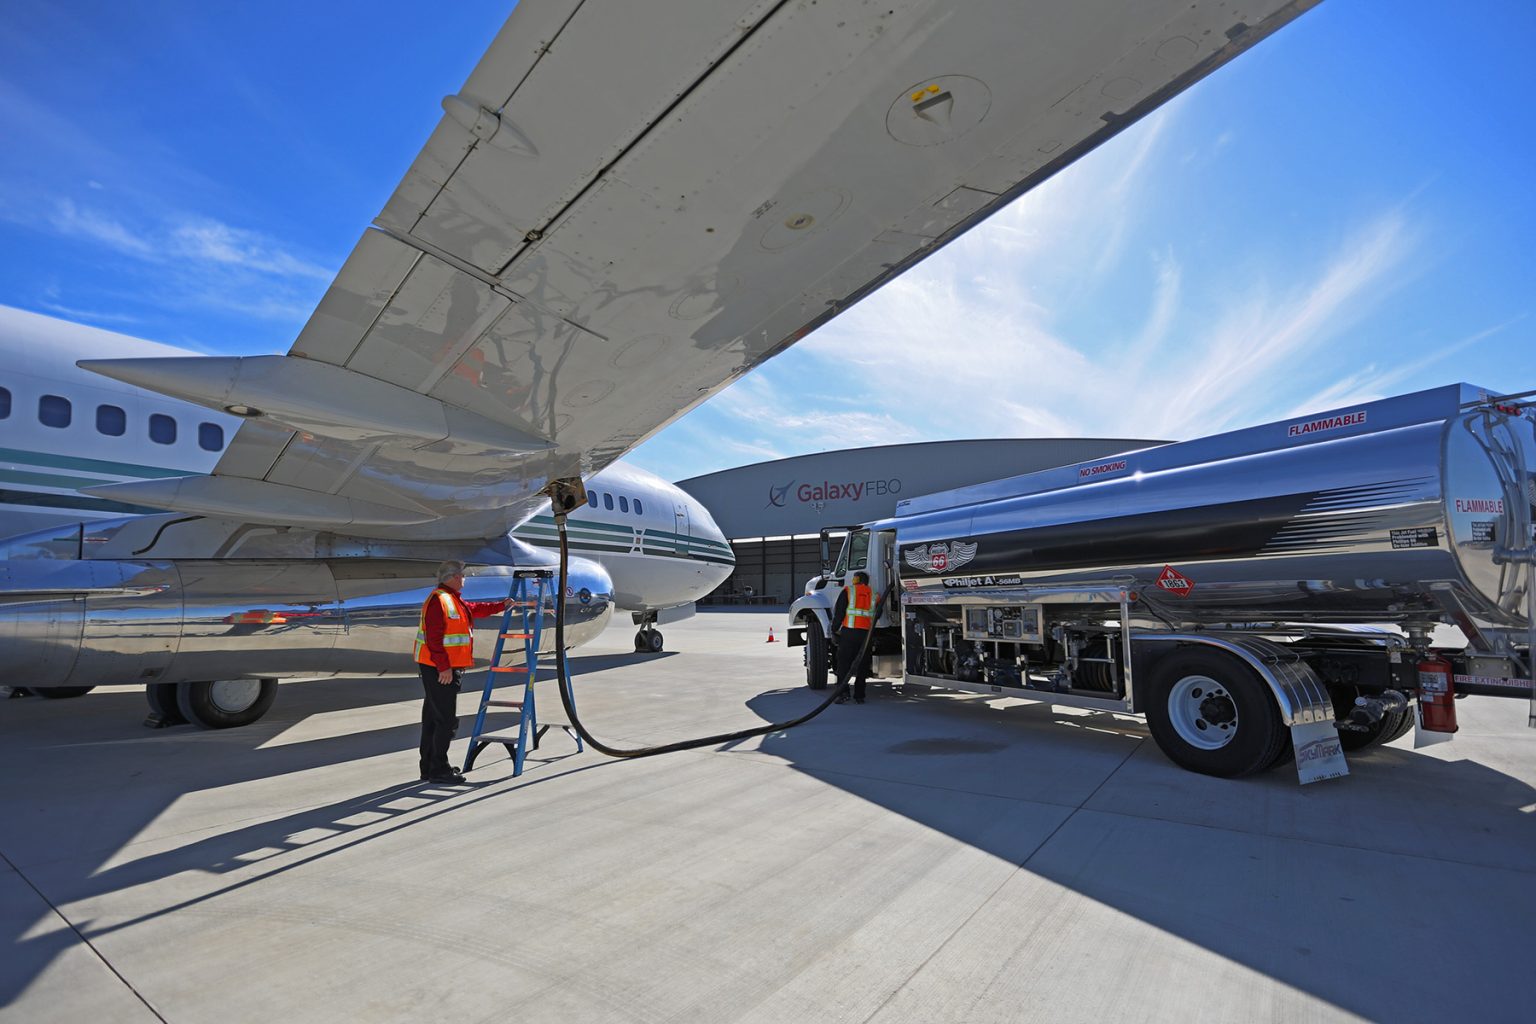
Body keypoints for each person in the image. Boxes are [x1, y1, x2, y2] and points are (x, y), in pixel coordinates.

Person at [413, 560, 508, 783]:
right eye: (463, 576)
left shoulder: (452, 599)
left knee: (433, 718)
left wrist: (502, 605)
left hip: (440, 667)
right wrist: (444, 668)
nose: (464, 579)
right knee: (446, 720)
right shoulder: (440, 600)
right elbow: (433, 638)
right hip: (439, 669)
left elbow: (474, 610)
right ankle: (439, 769)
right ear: (455, 577)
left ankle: (429, 767)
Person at [833, 570, 873, 704]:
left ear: (856, 580)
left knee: (844, 664)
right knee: (862, 665)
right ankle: (859, 696)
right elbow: (877, 614)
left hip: (849, 633)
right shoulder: (873, 594)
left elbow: (839, 613)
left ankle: (843, 694)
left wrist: (834, 630)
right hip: (866, 635)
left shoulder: (848, 591)